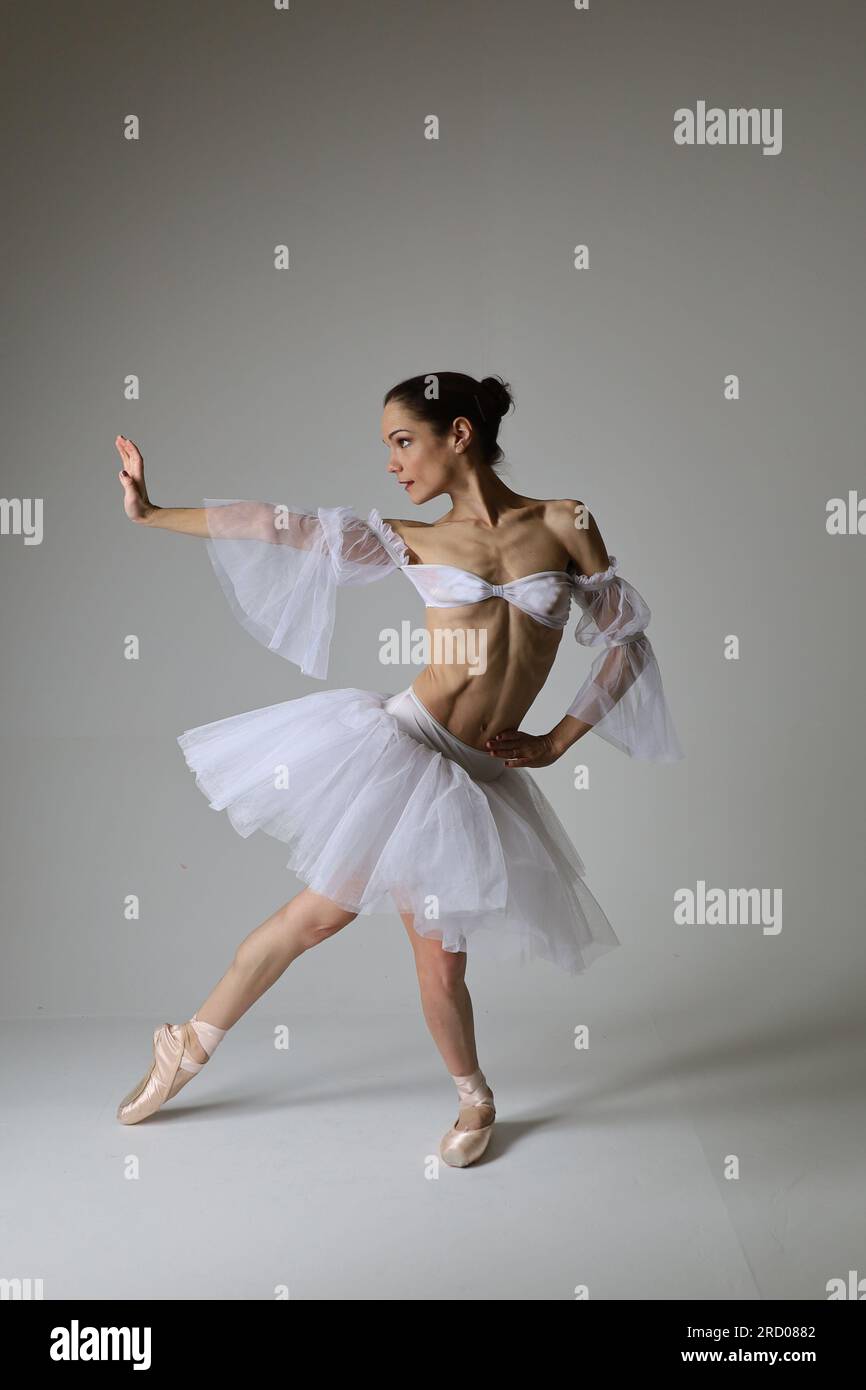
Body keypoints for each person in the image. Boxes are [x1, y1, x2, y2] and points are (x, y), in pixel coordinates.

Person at [113, 372, 683, 1167]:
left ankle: (460, 1095)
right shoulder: (415, 537)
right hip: (408, 750)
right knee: (343, 927)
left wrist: (558, 740)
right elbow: (280, 527)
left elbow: (630, 640)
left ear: (459, 433)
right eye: (387, 446)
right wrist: (151, 511)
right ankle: (200, 1048)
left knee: (399, 948)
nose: (391, 462)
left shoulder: (566, 520)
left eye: (402, 441)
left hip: (480, 774)